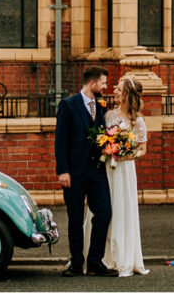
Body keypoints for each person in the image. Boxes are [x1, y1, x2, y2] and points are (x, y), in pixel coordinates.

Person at [54, 65, 116, 277]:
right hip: (74, 172)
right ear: (92, 84)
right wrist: (63, 170)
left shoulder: (100, 105)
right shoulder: (68, 105)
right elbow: (60, 140)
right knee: (76, 218)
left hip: (96, 170)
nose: (105, 86)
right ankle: (76, 263)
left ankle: (95, 262)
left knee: (105, 212)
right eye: (103, 83)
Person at [100, 76, 149, 276]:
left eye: (119, 89)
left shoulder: (136, 120)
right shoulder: (108, 115)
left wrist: (125, 154)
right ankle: (103, 256)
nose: (114, 91)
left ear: (127, 93)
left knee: (122, 209)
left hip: (125, 170)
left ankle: (122, 257)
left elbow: (143, 149)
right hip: (107, 168)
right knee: (105, 209)